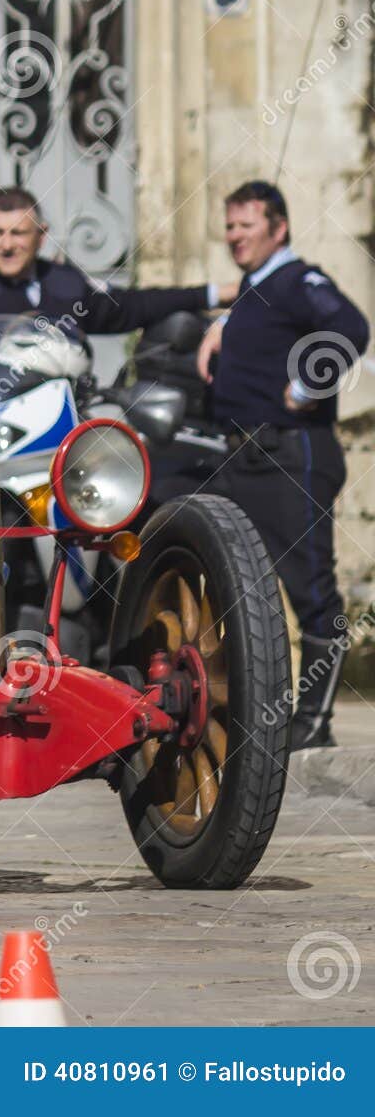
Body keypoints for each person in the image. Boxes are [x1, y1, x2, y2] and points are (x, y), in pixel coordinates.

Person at [197, 180, 369, 751]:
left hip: (292, 454)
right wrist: (223, 327)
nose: (235, 236)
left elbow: (351, 329)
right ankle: (249, 713)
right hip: (241, 457)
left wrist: (306, 384)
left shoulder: (300, 281)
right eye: (230, 226)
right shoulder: (254, 289)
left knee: (309, 590)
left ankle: (313, 725)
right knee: (238, 589)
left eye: (247, 225)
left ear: (279, 228)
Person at [0, 187, 235, 349]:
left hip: (63, 424)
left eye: (18, 233)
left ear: (41, 235)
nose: (6, 245)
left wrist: (215, 293)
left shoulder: (64, 283)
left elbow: (133, 306)